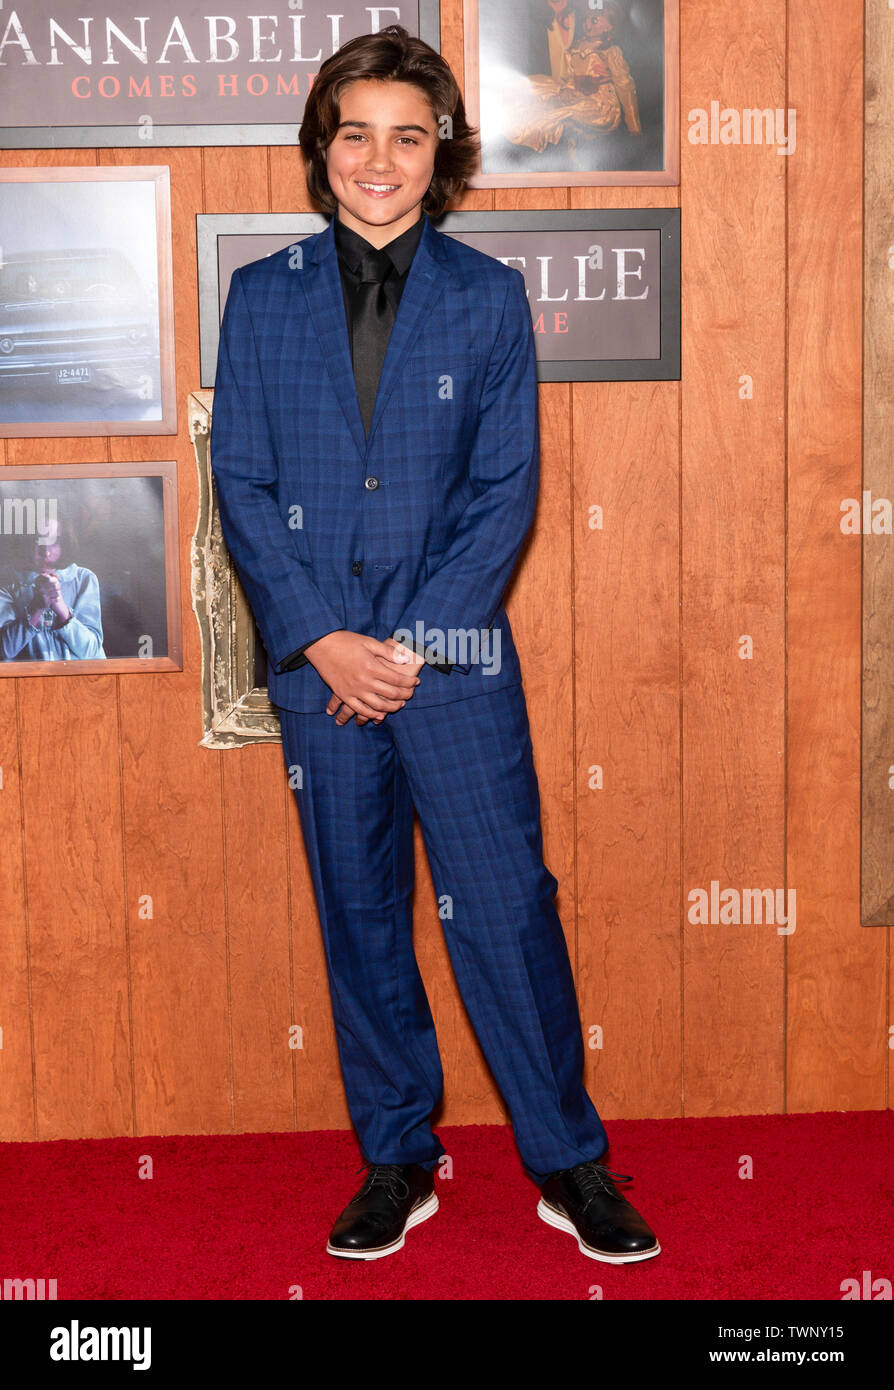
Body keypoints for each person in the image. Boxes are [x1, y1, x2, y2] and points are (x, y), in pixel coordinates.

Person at [210, 23, 659, 1265]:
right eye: (355, 133)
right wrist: (322, 642)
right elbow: (241, 485)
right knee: (359, 916)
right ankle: (397, 1156)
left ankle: (569, 1161)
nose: (379, 158)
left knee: (508, 909)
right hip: (322, 680)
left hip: (453, 669)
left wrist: (407, 646)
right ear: (323, 148)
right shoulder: (260, 297)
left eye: (407, 135)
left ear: (441, 154)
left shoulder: (489, 299)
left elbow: (503, 493)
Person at [0, 512, 105, 662]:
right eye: (38, 541)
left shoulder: (83, 579)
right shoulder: (6, 581)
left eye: (54, 541)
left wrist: (60, 606)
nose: (46, 552)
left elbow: (92, 651)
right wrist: (36, 607)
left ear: (65, 543)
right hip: (27, 682)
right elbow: (5, 650)